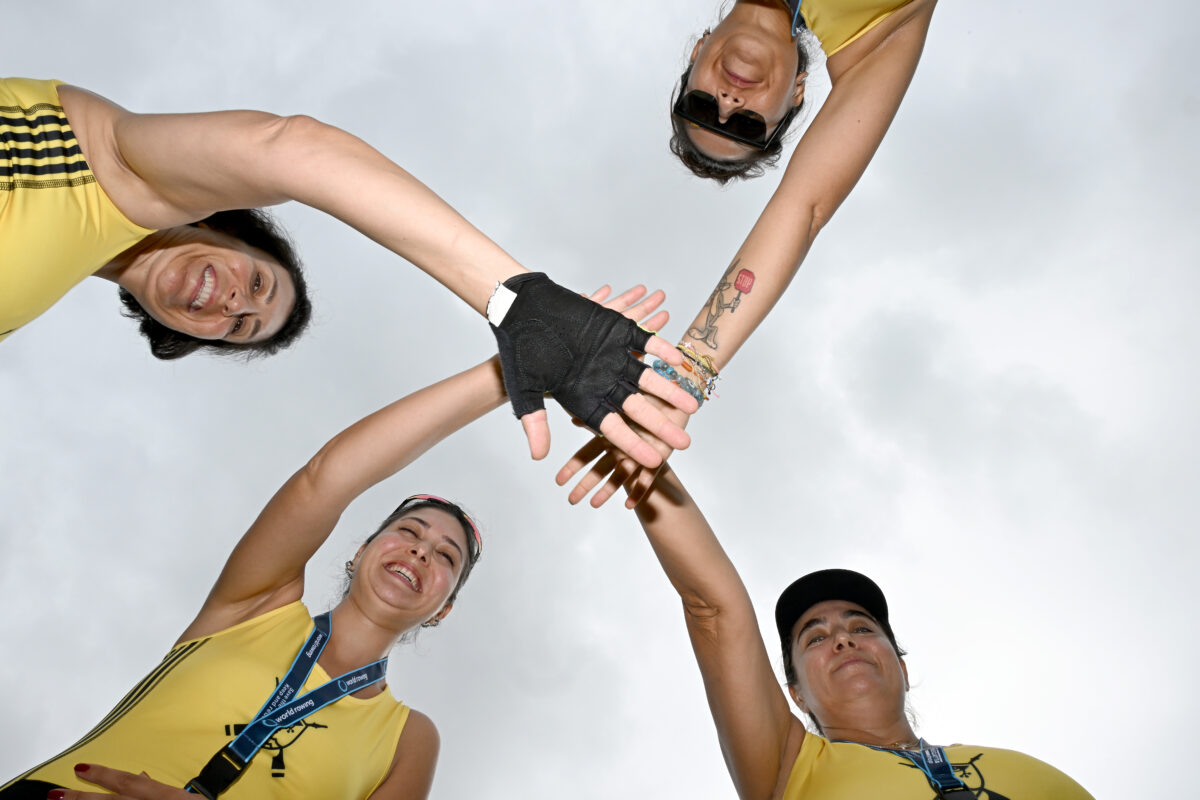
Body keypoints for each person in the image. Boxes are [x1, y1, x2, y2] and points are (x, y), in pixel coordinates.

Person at [0, 287, 669, 800]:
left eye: (445, 559)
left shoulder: (410, 739)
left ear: (442, 610)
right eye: (408, 533)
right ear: (358, 552)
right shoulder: (253, 609)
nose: (421, 553)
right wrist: (512, 371)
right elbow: (326, 479)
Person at [0, 77, 696, 467]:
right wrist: (514, 298)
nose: (232, 302)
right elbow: (291, 150)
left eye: (237, 326)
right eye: (259, 284)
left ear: (178, 333)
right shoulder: (110, 170)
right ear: (224, 225)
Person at [558, 0, 937, 502]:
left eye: (700, 107)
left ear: (696, 55)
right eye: (746, 127)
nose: (728, 105)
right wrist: (681, 379)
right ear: (798, 93)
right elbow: (804, 208)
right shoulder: (875, 35)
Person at [630, 467, 1096, 799]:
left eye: (861, 627)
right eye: (814, 637)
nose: (843, 639)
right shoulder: (789, 769)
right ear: (795, 695)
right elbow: (714, 607)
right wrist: (639, 450)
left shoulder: (1035, 774)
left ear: (902, 667)